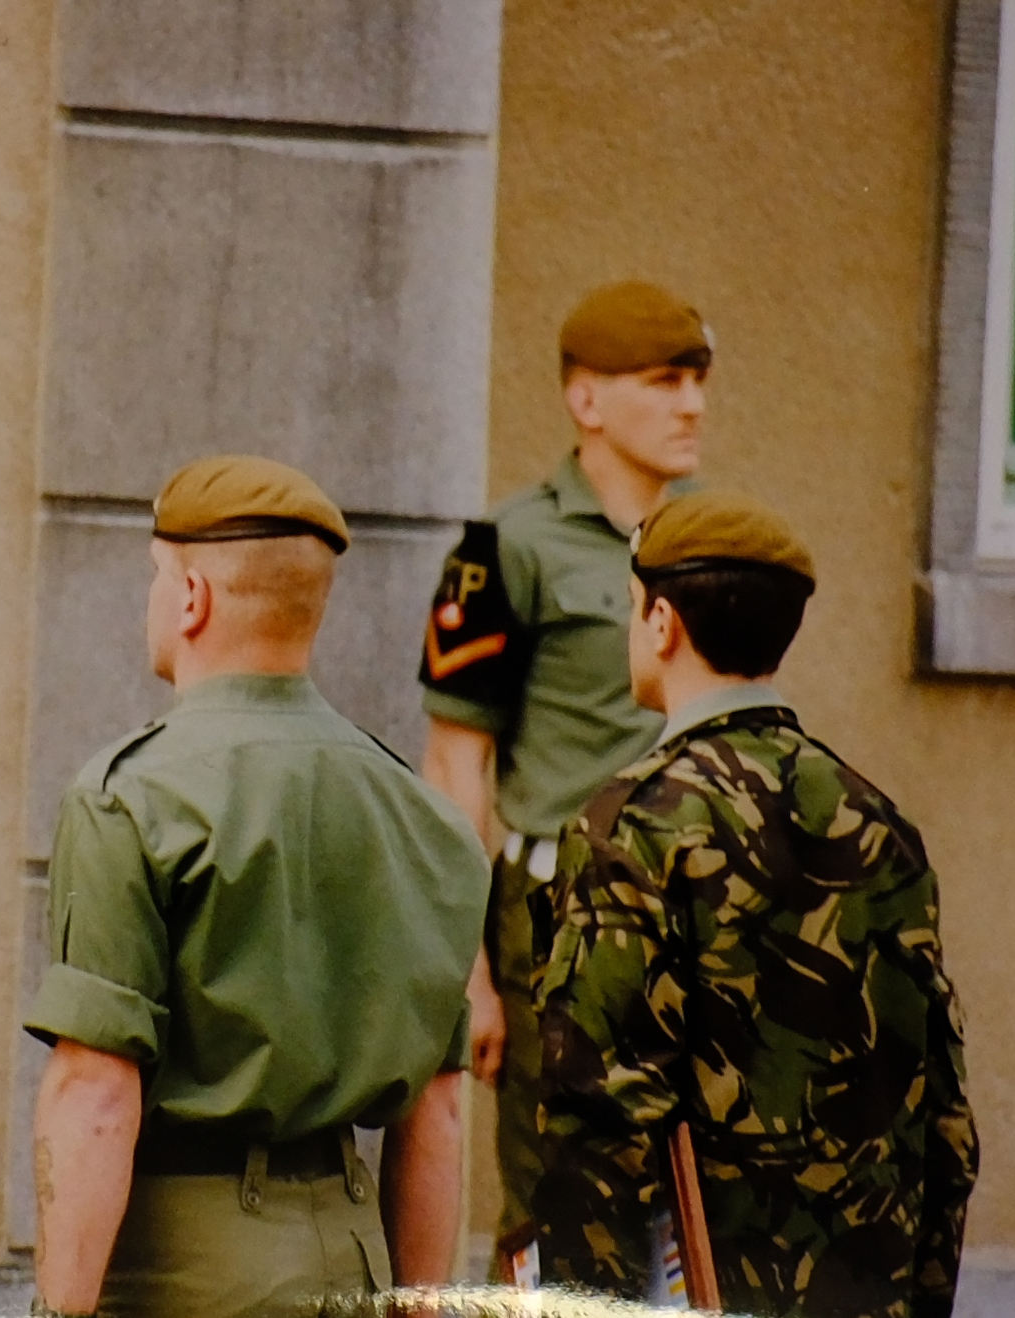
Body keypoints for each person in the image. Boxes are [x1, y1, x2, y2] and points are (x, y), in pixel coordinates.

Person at [24, 456, 488, 1318]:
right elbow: (438, 1114)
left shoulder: (130, 797)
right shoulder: (422, 816)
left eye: (156, 576)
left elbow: (93, 1091)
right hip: (356, 1254)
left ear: (191, 598)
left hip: (181, 1274)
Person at [534, 490, 979, 1318]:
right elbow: (943, 1116)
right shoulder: (881, 824)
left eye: (632, 606)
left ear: (660, 621)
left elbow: (598, 1119)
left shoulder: (633, 824)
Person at [415, 280, 713, 1273]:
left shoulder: (716, 539)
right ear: (586, 399)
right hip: (558, 911)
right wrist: (469, 970)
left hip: (699, 905)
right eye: (664, 381)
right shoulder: (504, 548)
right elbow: (455, 761)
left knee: (699, 1203)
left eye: (698, 381)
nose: (692, 405)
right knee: (555, 1194)